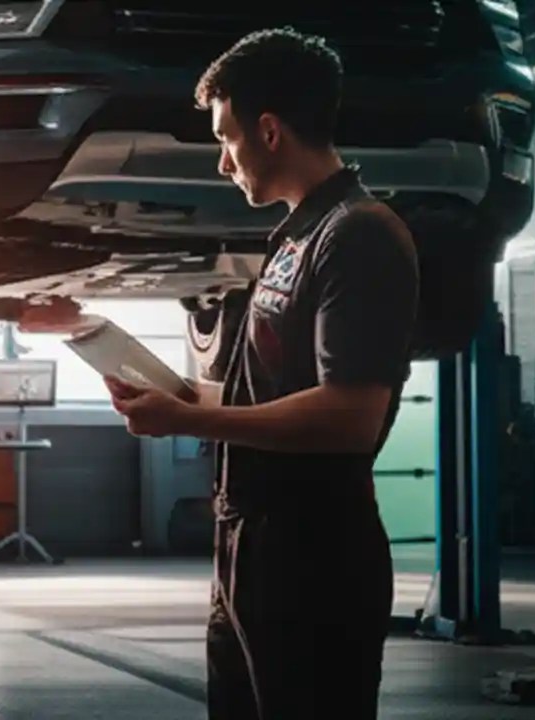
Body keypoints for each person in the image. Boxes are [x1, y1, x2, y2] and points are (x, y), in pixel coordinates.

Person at [102, 28, 420, 720]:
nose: (222, 162)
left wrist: (188, 419)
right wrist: (174, 395)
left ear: (269, 131)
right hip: (251, 551)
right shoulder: (296, 241)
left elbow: (349, 417)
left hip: (317, 559)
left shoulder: (359, 234)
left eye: (226, 137)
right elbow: (266, 398)